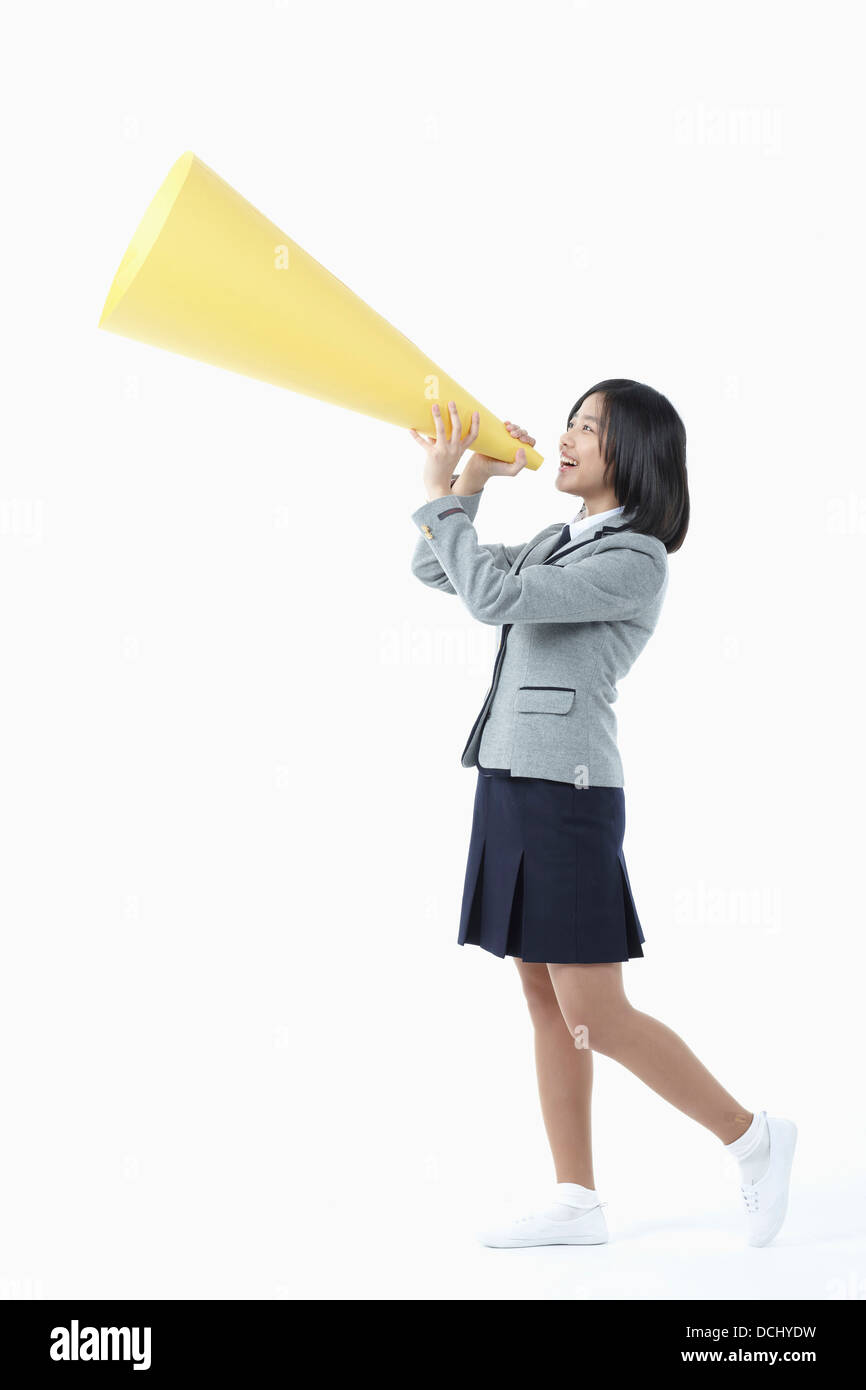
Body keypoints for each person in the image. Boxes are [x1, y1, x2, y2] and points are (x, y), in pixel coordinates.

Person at [408, 380, 796, 1248]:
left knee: (595, 1010)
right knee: (544, 997)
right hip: (511, 781)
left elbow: (492, 598)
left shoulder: (636, 558)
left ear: (635, 456)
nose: (570, 436)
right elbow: (436, 565)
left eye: (591, 427)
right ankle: (576, 1199)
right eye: (571, 421)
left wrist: (443, 494)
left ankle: (754, 1139)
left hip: (569, 795)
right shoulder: (559, 538)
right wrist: (470, 482)